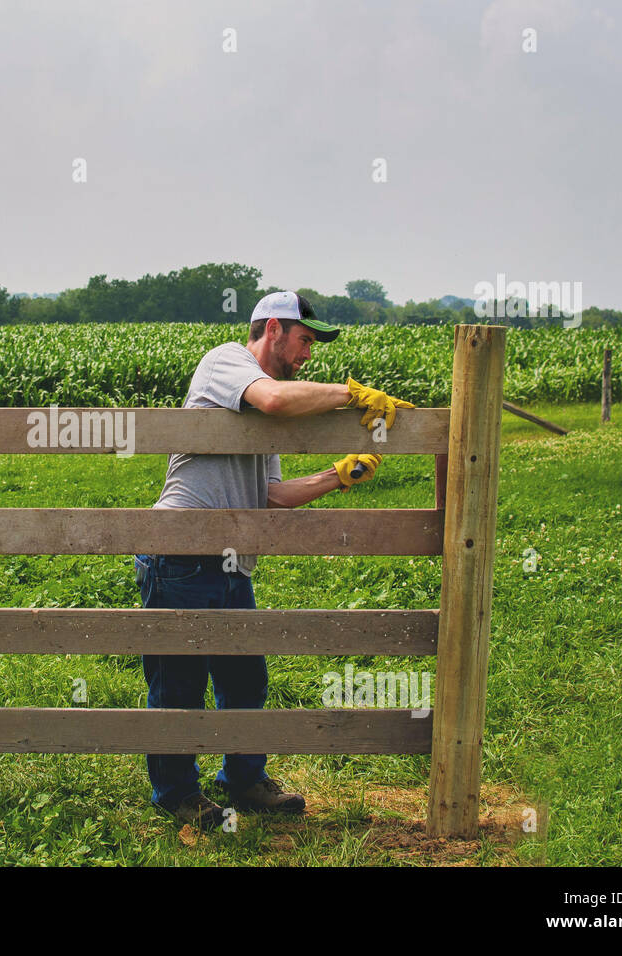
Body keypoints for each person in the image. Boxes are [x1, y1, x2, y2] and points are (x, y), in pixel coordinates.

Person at [134, 290, 414, 830]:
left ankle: (242, 780)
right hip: (181, 552)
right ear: (273, 329)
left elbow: (273, 496)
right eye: (305, 339)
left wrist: (340, 474)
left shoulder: (265, 416)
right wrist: (350, 394)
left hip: (232, 562)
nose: (309, 351)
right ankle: (177, 795)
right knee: (179, 683)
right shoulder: (226, 362)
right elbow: (277, 400)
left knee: (245, 680)